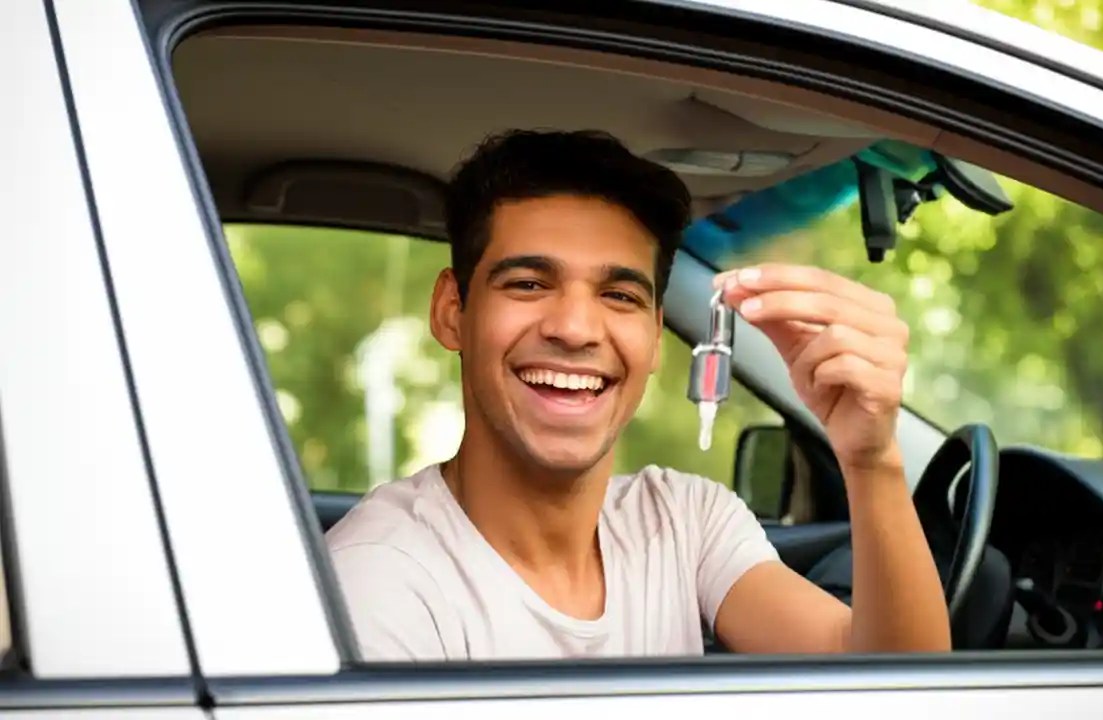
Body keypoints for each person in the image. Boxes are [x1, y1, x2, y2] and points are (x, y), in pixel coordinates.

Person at [326, 129, 950, 661]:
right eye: (528, 284)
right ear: (452, 312)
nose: (575, 329)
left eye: (619, 295)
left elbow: (888, 683)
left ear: (654, 337)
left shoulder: (683, 521)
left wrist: (872, 460)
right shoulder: (380, 579)